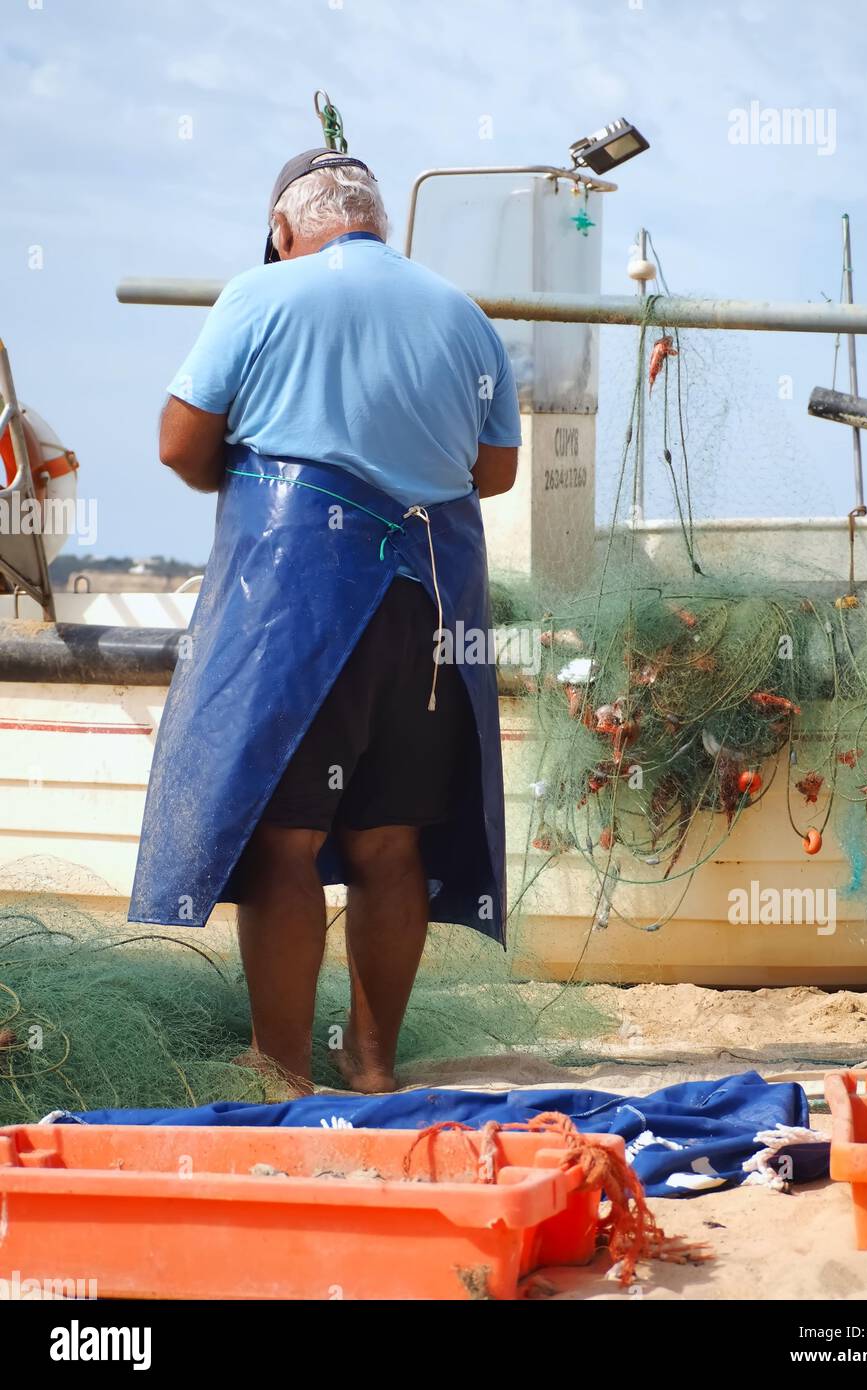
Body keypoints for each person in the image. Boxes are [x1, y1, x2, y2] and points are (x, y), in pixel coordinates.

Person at [128, 149, 520, 1096]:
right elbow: (496, 472)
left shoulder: (261, 295)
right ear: (381, 225)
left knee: (283, 842)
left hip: (296, 603)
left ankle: (284, 1069)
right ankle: (374, 1064)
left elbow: (180, 443)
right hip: (427, 606)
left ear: (282, 229)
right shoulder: (461, 315)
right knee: (393, 841)